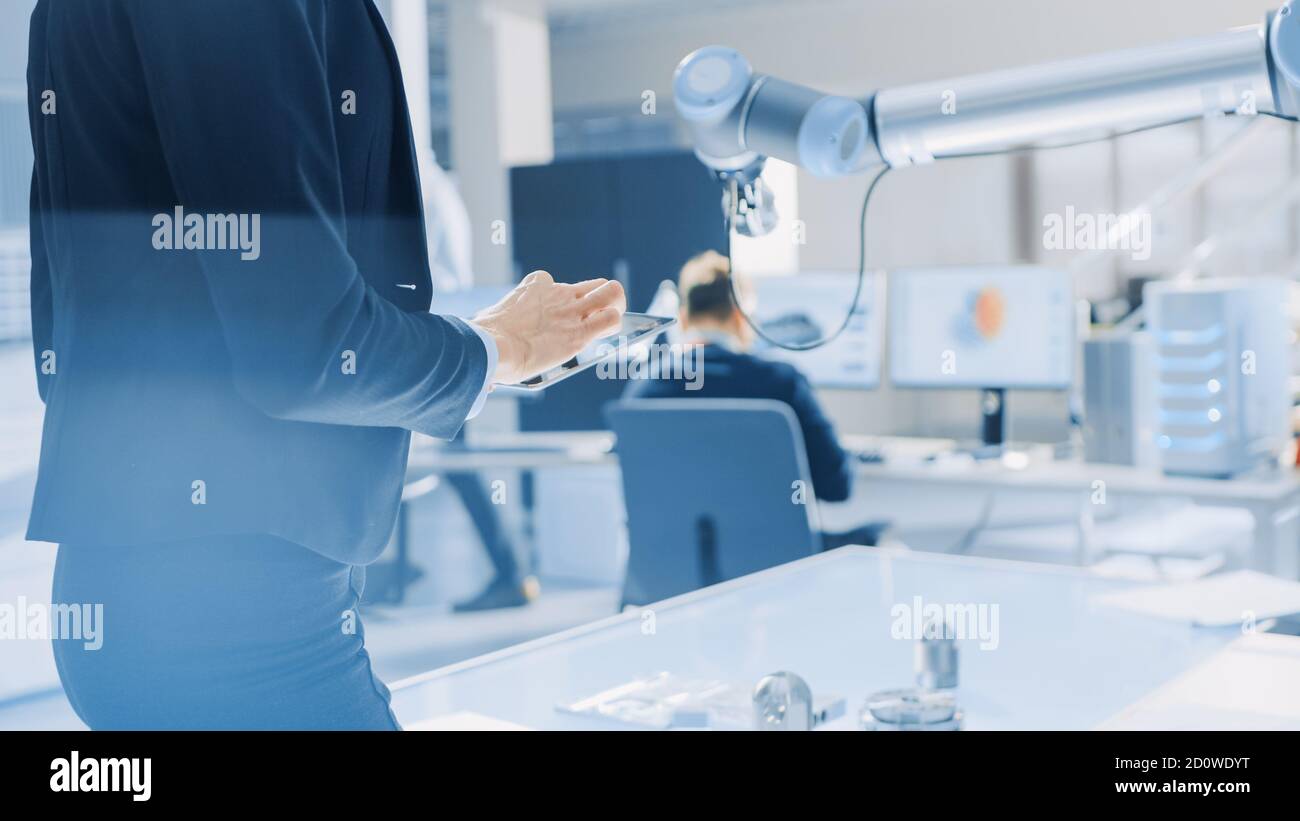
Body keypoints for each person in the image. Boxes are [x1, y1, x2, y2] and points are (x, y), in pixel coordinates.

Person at [27, 0, 624, 729]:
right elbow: (305, 345)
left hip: (139, 586)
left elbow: (67, 320)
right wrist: (499, 347)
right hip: (239, 617)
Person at [623, 251, 886, 546]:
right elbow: (837, 487)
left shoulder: (646, 390)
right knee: (882, 538)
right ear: (741, 317)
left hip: (674, 565)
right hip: (775, 562)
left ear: (683, 319)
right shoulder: (781, 384)